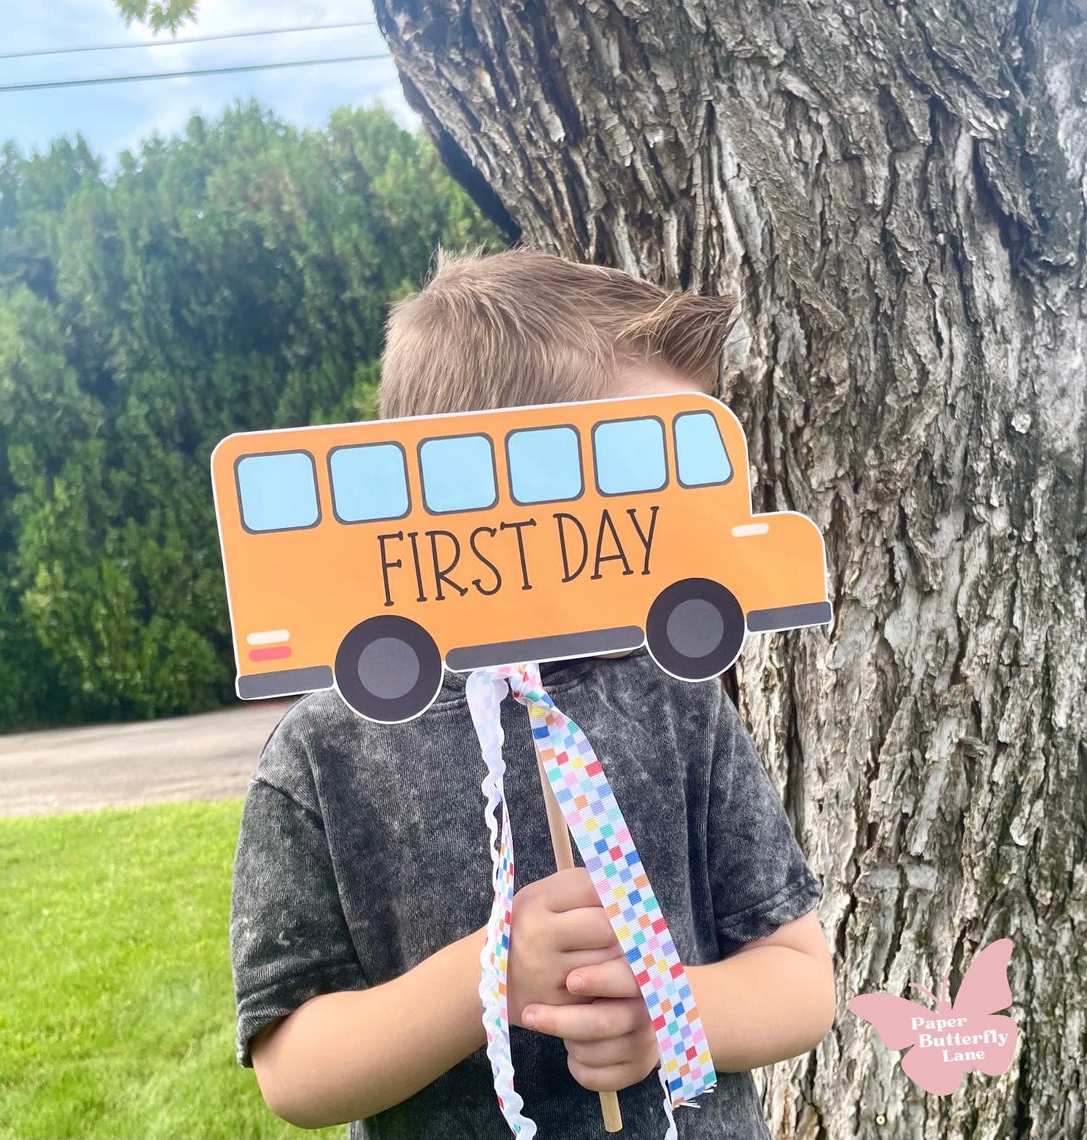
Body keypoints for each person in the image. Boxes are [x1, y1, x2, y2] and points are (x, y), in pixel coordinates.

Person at [230, 248, 836, 1139]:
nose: (686, 516)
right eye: (644, 473)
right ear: (488, 490)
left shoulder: (676, 700)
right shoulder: (326, 755)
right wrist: (489, 975)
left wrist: (670, 1014)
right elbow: (295, 1068)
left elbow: (800, 977)